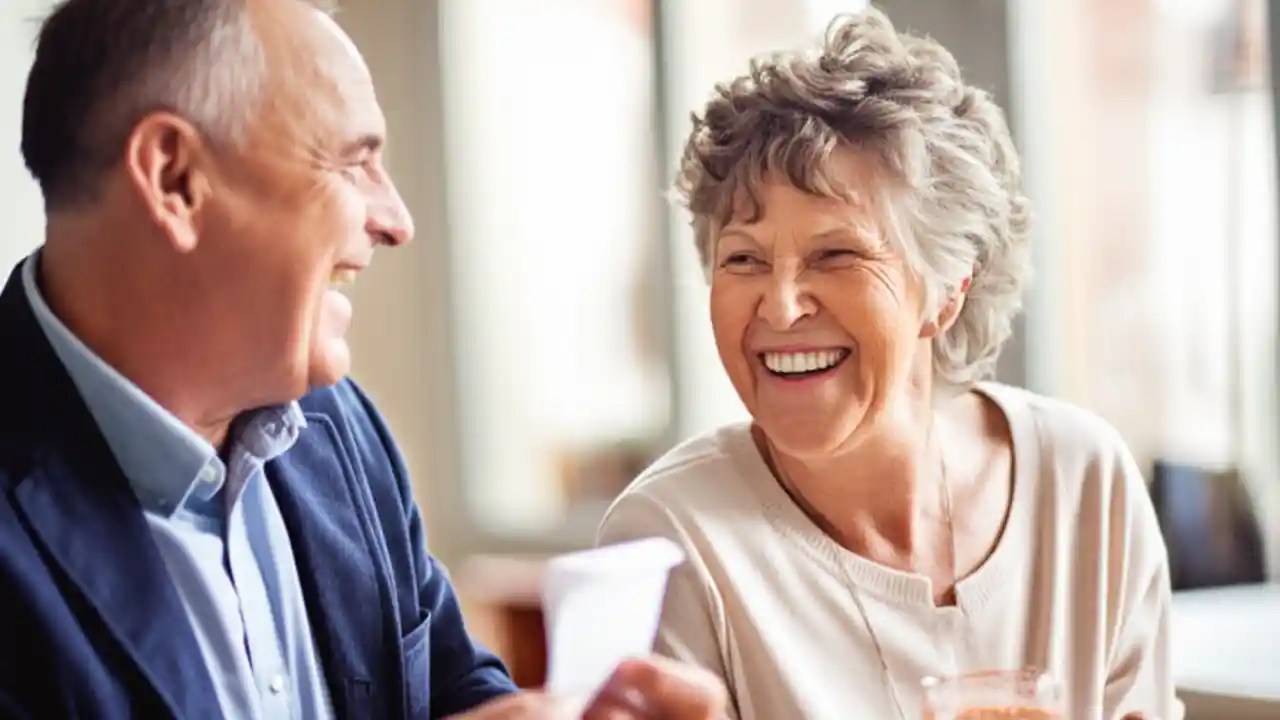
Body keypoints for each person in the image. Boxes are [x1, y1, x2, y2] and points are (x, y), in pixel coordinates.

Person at [0, 1, 726, 719]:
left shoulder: (337, 426)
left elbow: (454, 688)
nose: (396, 221)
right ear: (175, 179)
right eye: (353, 163)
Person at [599, 9, 1179, 720]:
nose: (780, 306)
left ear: (947, 291)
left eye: (835, 254)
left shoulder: (1082, 480)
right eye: (744, 259)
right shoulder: (670, 538)